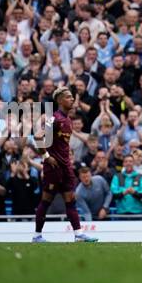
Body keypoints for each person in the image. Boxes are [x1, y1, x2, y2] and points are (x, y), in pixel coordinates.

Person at [33, 88, 98, 242]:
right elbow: (37, 136)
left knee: (70, 200)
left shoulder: (68, 121)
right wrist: (46, 156)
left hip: (66, 167)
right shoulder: (53, 119)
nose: (72, 100)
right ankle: (37, 235)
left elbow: (61, 144)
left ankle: (78, 235)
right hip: (53, 168)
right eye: (68, 97)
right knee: (46, 201)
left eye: (71, 97)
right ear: (60, 100)